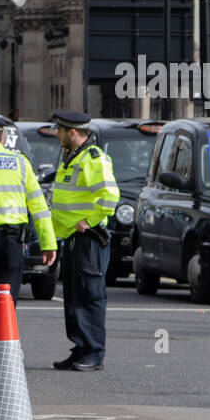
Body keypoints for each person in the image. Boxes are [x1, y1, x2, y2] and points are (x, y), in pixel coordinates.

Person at [0, 112, 56, 368]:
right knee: (5, 298)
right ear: (4, 137)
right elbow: (39, 206)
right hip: (13, 241)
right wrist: (48, 243)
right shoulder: (21, 163)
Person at [49, 110, 121, 370]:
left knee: (90, 295)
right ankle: (80, 348)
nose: (57, 134)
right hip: (71, 238)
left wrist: (87, 222)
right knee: (74, 296)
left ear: (73, 132)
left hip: (88, 239)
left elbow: (110, 197)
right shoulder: (72, 157)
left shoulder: (93, 159)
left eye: (60, 130)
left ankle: (94, 352)